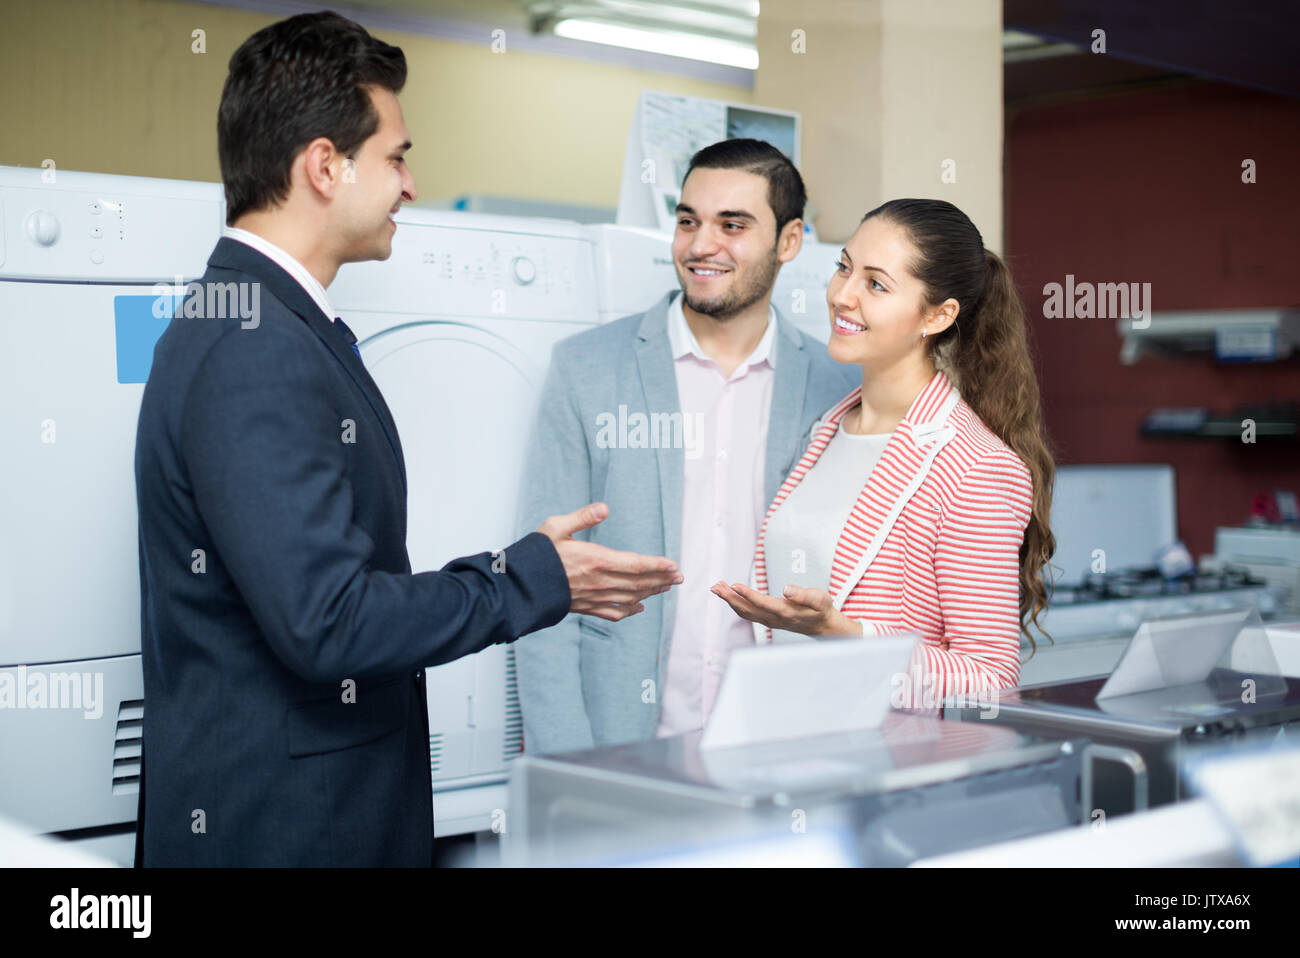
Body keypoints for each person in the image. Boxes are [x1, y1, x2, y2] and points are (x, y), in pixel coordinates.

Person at [132, 11, 679, 867]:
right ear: (324, 165)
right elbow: (330, 622)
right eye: (396, 156)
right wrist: (530, 577)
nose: (411, 185)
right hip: (290, 831)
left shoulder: (260, 322)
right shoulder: (256, 348)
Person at [515, 139, 858, 753]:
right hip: (621, 742)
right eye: (687, 221)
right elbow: (540, 580)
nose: (701, 245)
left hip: (785, 742)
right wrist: (566, 769)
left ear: (789, 240)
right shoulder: (585, 370)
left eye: (733, 225)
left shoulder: (837, 388)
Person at [712, 198, 1056, 703]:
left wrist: (845, 636)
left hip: (894, 764)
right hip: (789, 751)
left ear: (938, 316)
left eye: (875, 284)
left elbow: (991, 676)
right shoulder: (826, 430)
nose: (842, 296)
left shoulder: (975, 467)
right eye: (843, 268)